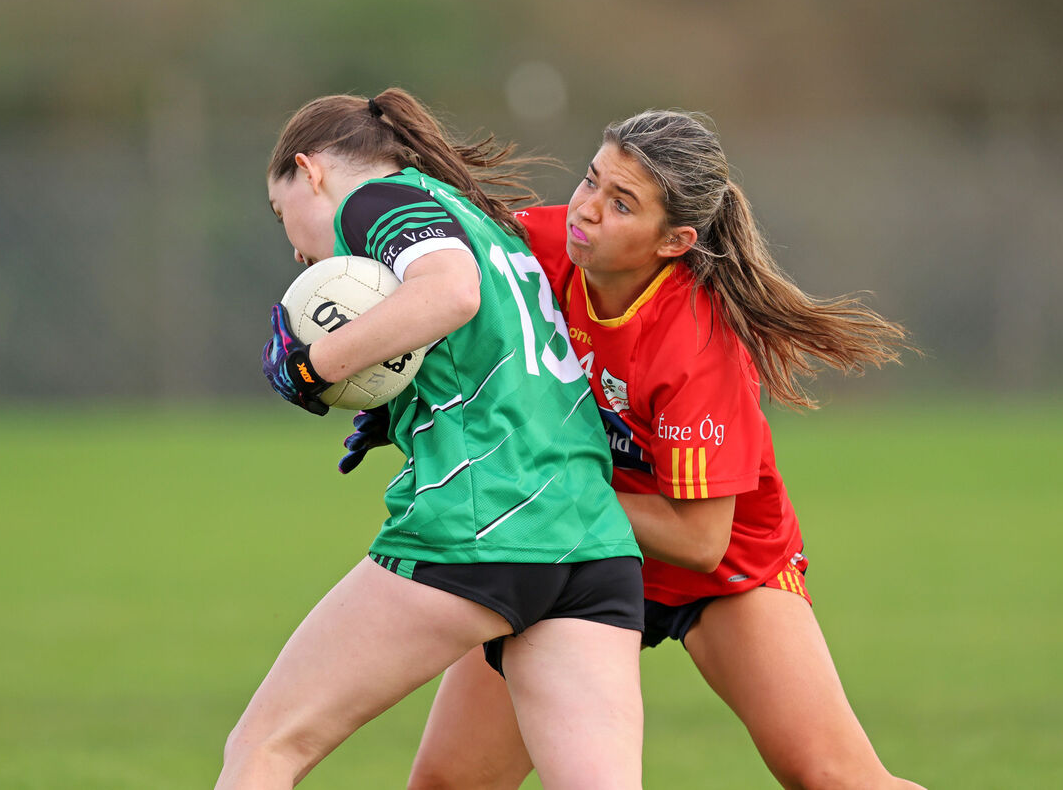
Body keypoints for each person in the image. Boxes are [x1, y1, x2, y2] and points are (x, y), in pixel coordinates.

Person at [392, 110, 927, 789]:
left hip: (720, 572)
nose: (587, 209)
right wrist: (393, 382)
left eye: (622, 204)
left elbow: (701, 537)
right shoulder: (542, 248)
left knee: (834, 780)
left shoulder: (696, 343)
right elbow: (439, 271)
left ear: (674, 240)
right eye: (591, 180)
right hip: (573, 551)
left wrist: (548, 482)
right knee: (446, 784)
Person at [215, 89, 647, 790]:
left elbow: (451, 294)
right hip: (593, 545)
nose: (293, 245)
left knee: (263, 750)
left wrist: (308, 367)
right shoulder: (479, 220)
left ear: (310, 170)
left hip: (480, 526)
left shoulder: (373, 200)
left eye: (280, 210)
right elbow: (483, 338)